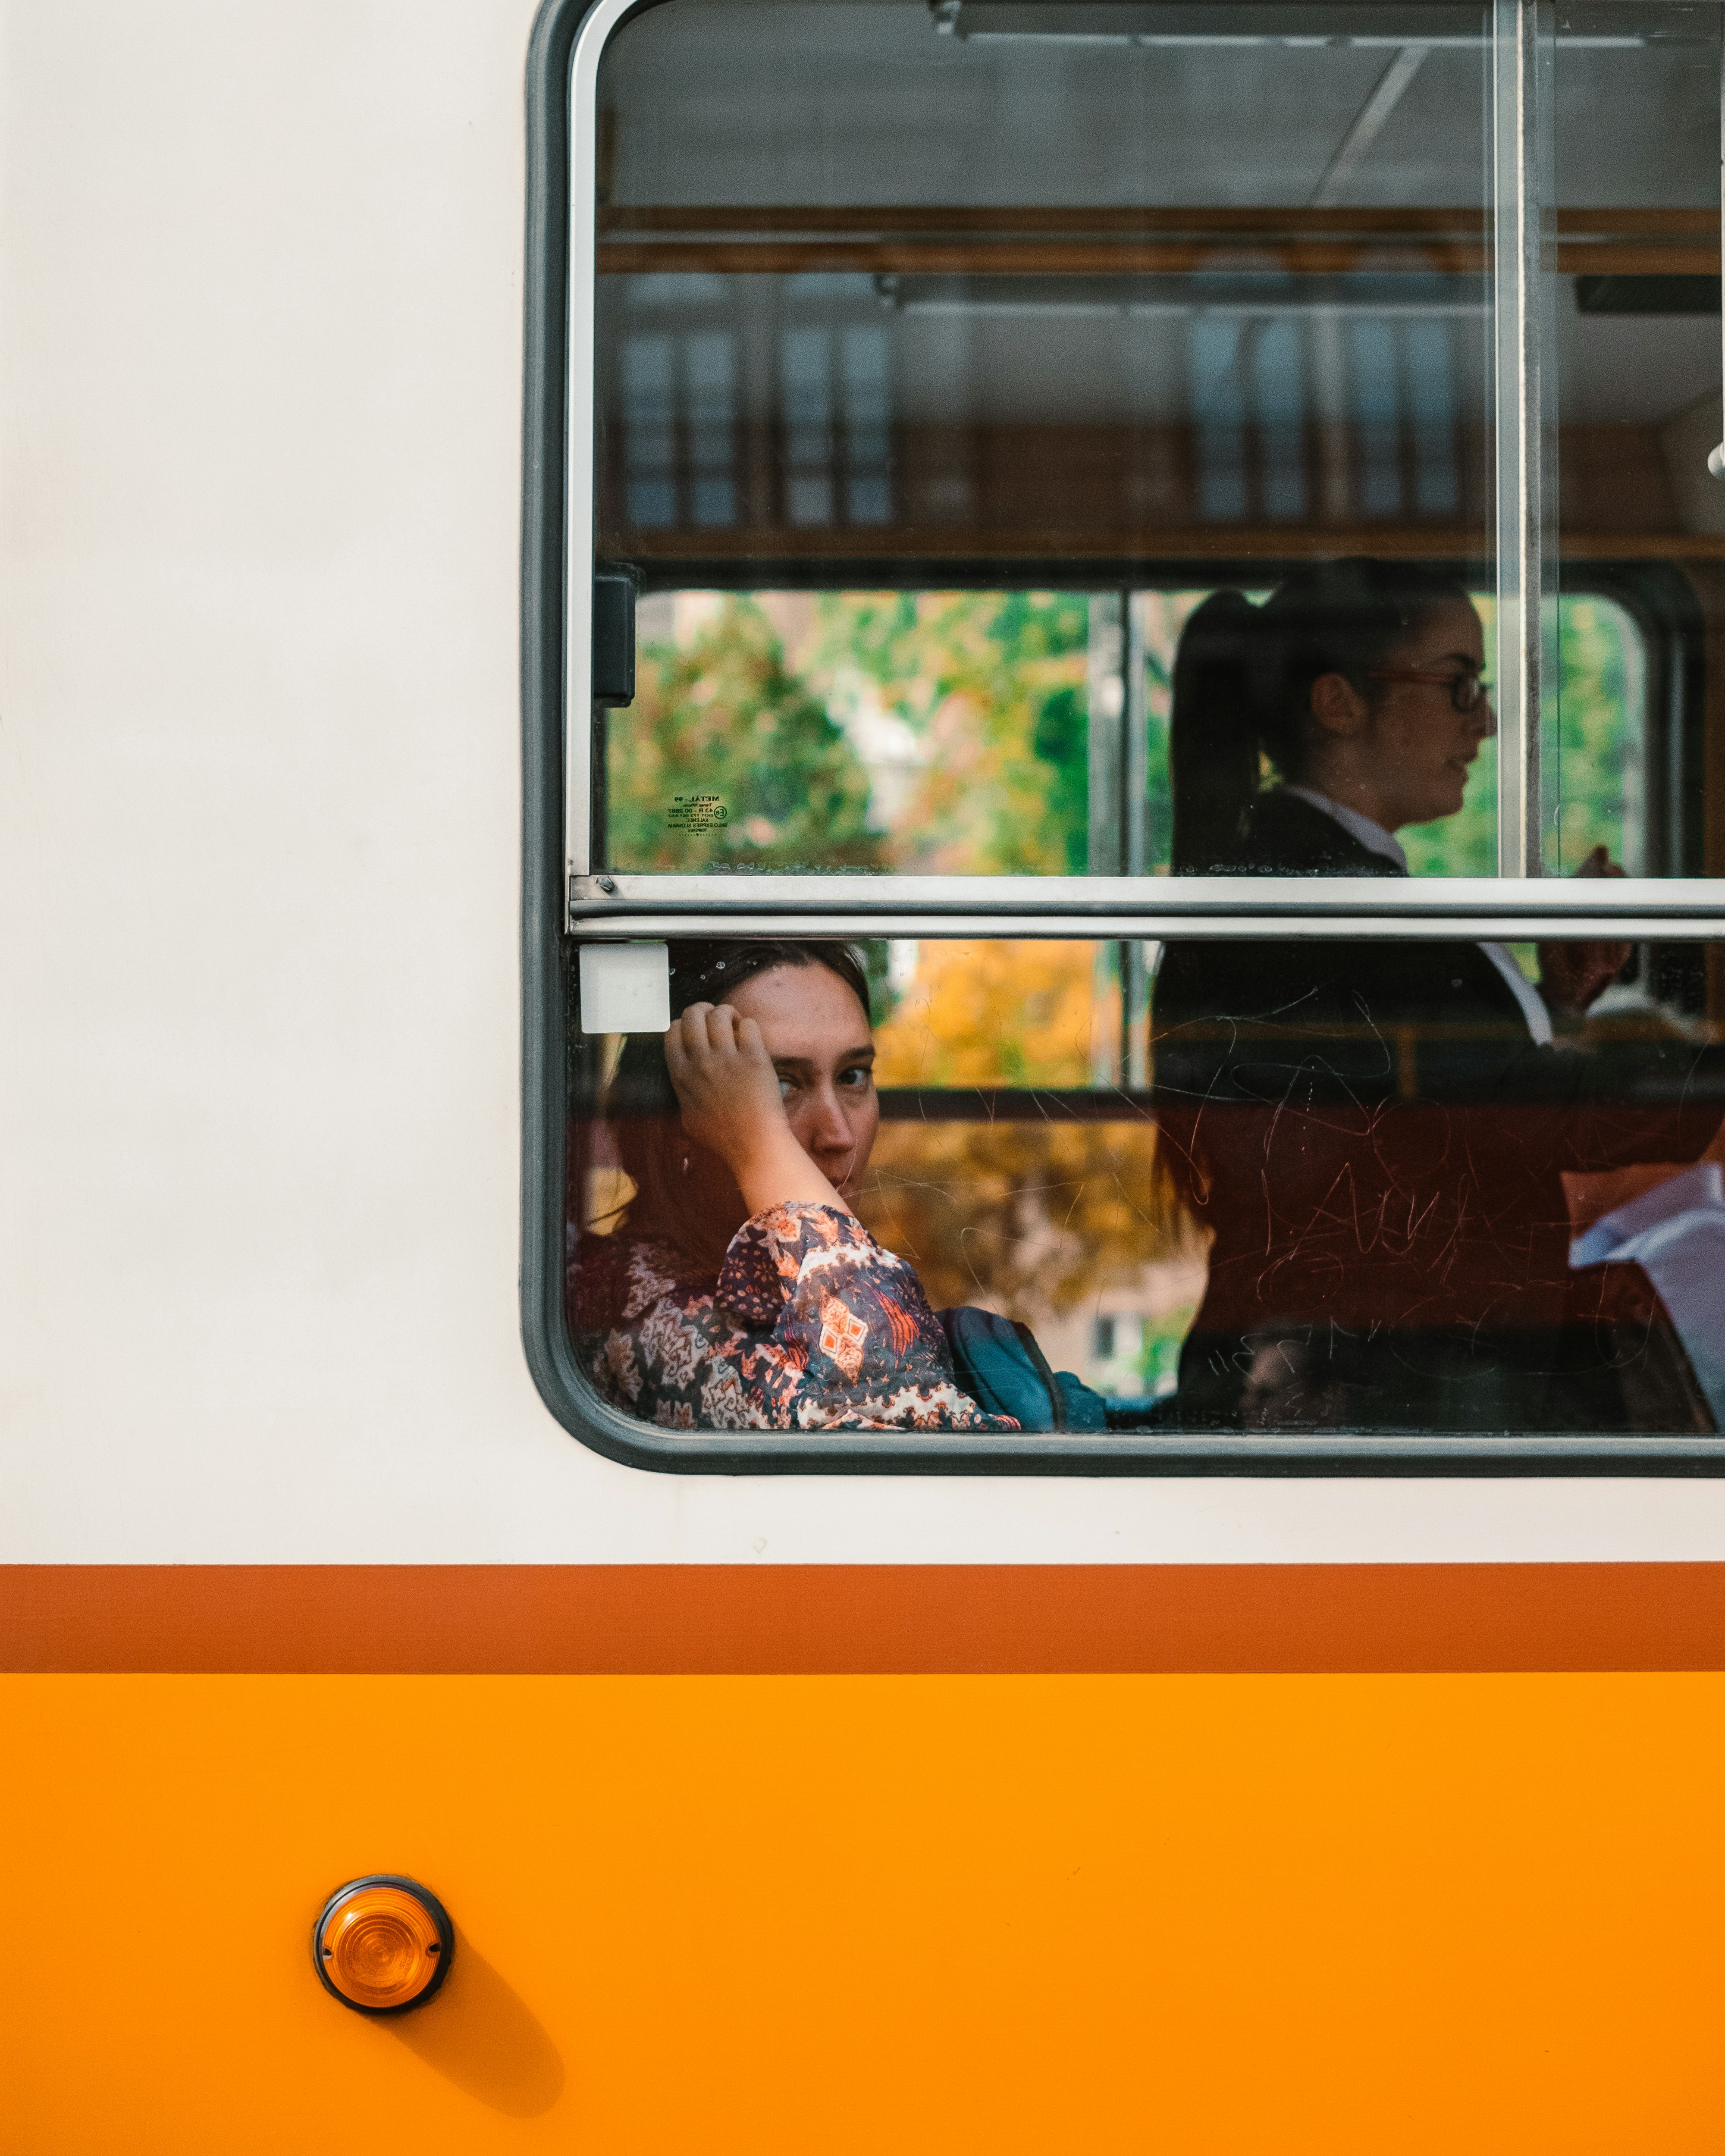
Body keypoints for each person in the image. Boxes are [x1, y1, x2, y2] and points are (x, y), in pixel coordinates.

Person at [1152, 558, 1725, 1433]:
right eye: (1457, 685)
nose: (1484, 721)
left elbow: (1432, 1106)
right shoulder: (1330, 904)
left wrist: (1555, 1002)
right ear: (1338, 703)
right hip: (1367, 1388)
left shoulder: (1325, 886)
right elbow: (1518, 1106)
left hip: (1367, 1370)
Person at [569, 939, 1020, 1433]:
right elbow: (922, 1434)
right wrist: (762, 1140)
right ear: (684, 1117)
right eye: (780, 1083)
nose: (838, 1135)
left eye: (853, 1075)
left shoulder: (752, 1281)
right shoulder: (659, 1313)